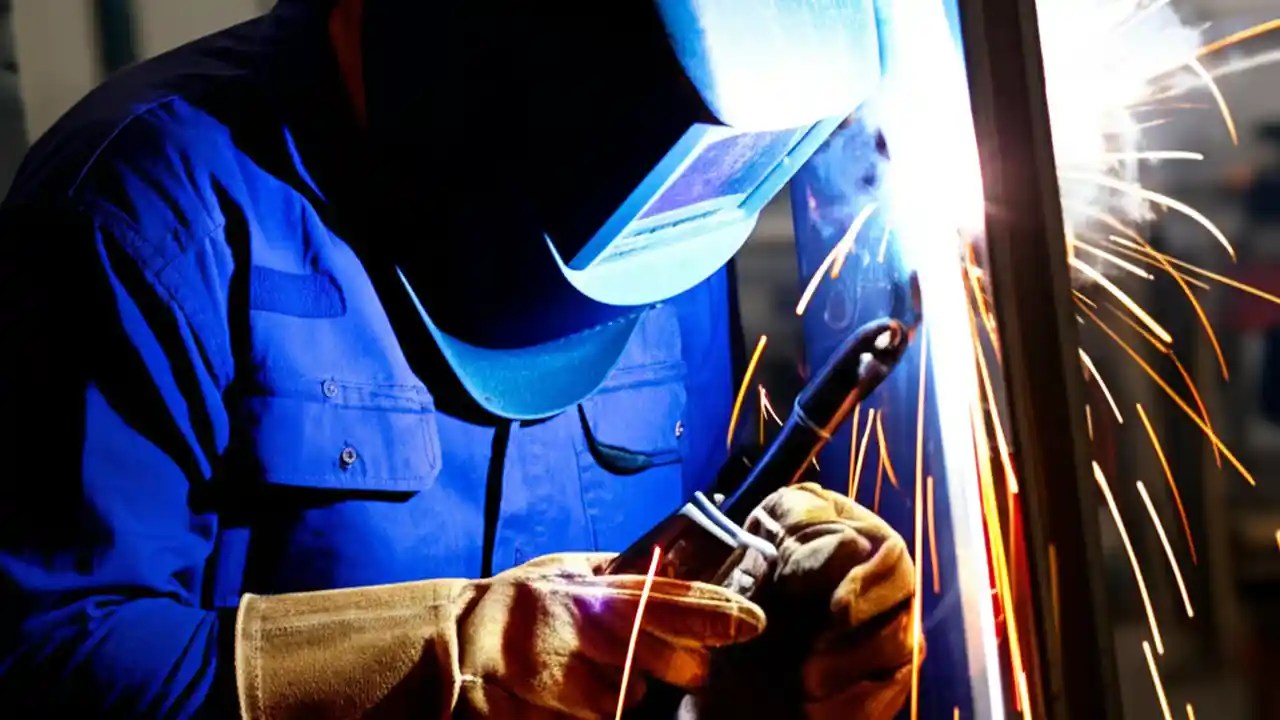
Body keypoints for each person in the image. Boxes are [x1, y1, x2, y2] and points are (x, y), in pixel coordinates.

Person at [0, 1, 917, 718]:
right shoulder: (152, 211)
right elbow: (41, 659)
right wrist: (448, 654)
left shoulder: (669, 186)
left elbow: (671, 575)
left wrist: (773, 610)